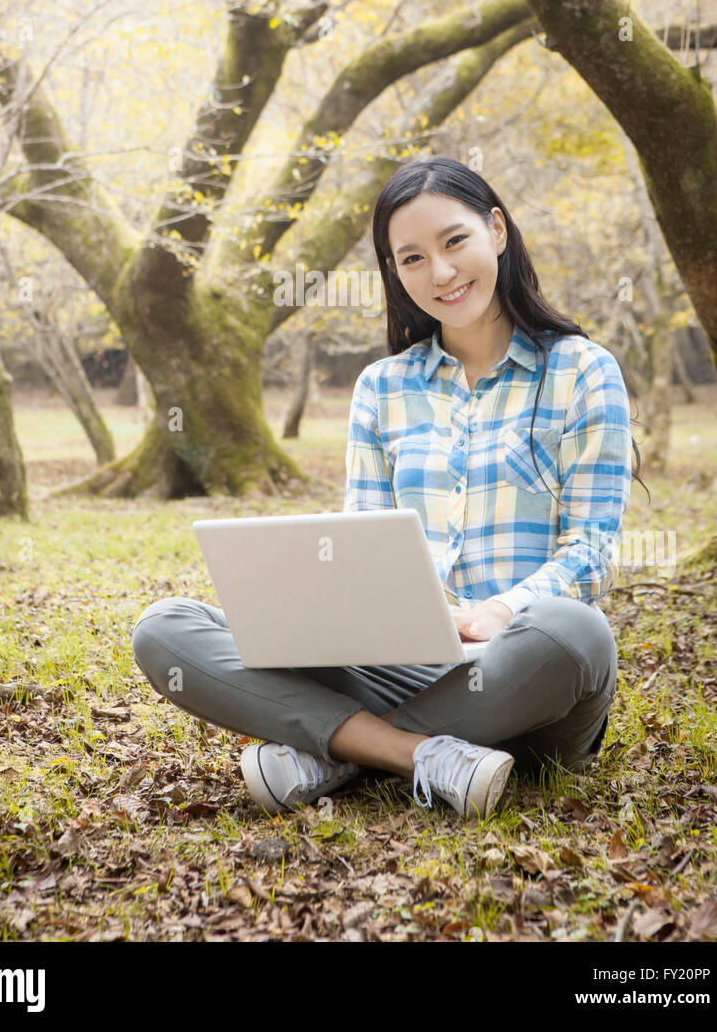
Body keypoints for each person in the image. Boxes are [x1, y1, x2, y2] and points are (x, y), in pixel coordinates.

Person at [131, 157, 644, 821]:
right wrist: (324, 614)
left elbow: (593, 549)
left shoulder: (582, 371)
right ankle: (423, 756)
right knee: (165, 629)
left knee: (577, 631)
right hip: (401, 663)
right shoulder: (383, 387)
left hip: (525, 680)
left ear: (496, 229)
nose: (441, 273)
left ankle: (340, 753)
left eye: (455, 241)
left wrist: (501, 611)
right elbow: (362, 549)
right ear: (394, 272)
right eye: (412, 258)